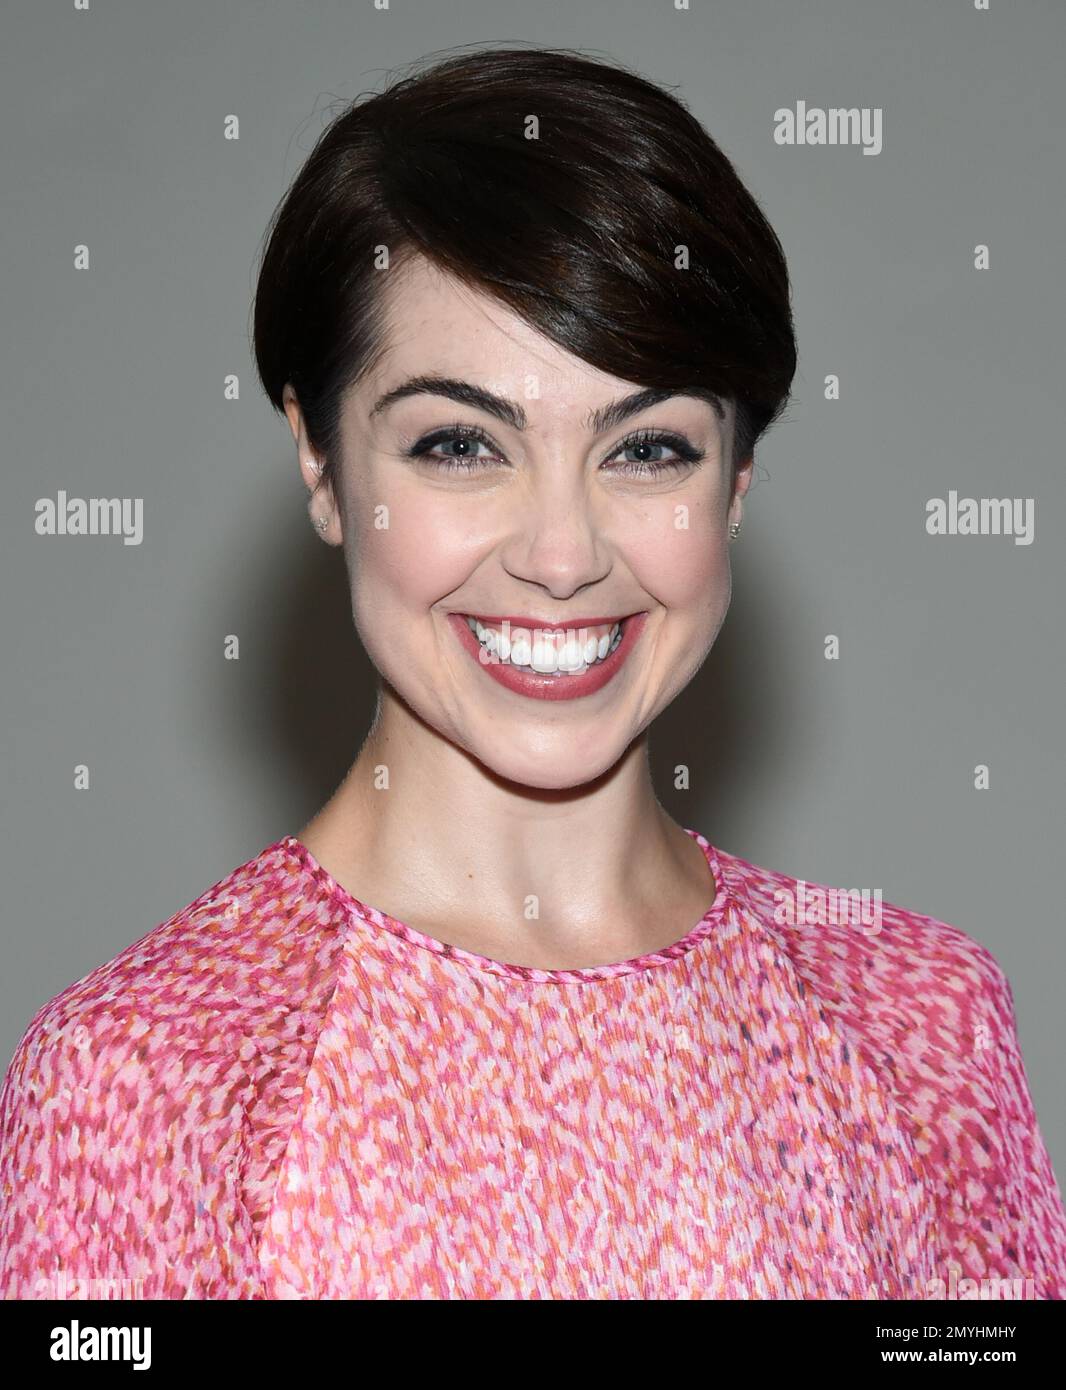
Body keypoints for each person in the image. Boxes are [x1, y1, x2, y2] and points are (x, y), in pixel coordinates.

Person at [2, 45, 1064, 1300]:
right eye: (458, 444)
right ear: (321, 465)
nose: (561, 555)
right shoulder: (143, 1071)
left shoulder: (919, 1015)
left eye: (648, 448)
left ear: (736, 480)